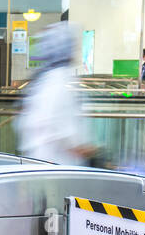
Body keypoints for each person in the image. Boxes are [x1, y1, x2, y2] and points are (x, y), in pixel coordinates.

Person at [13, 22, 94, 166]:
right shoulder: (60, 82)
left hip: (38, 162)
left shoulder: (42, 80)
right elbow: (67, 135)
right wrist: (87, 151)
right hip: (56, 167)